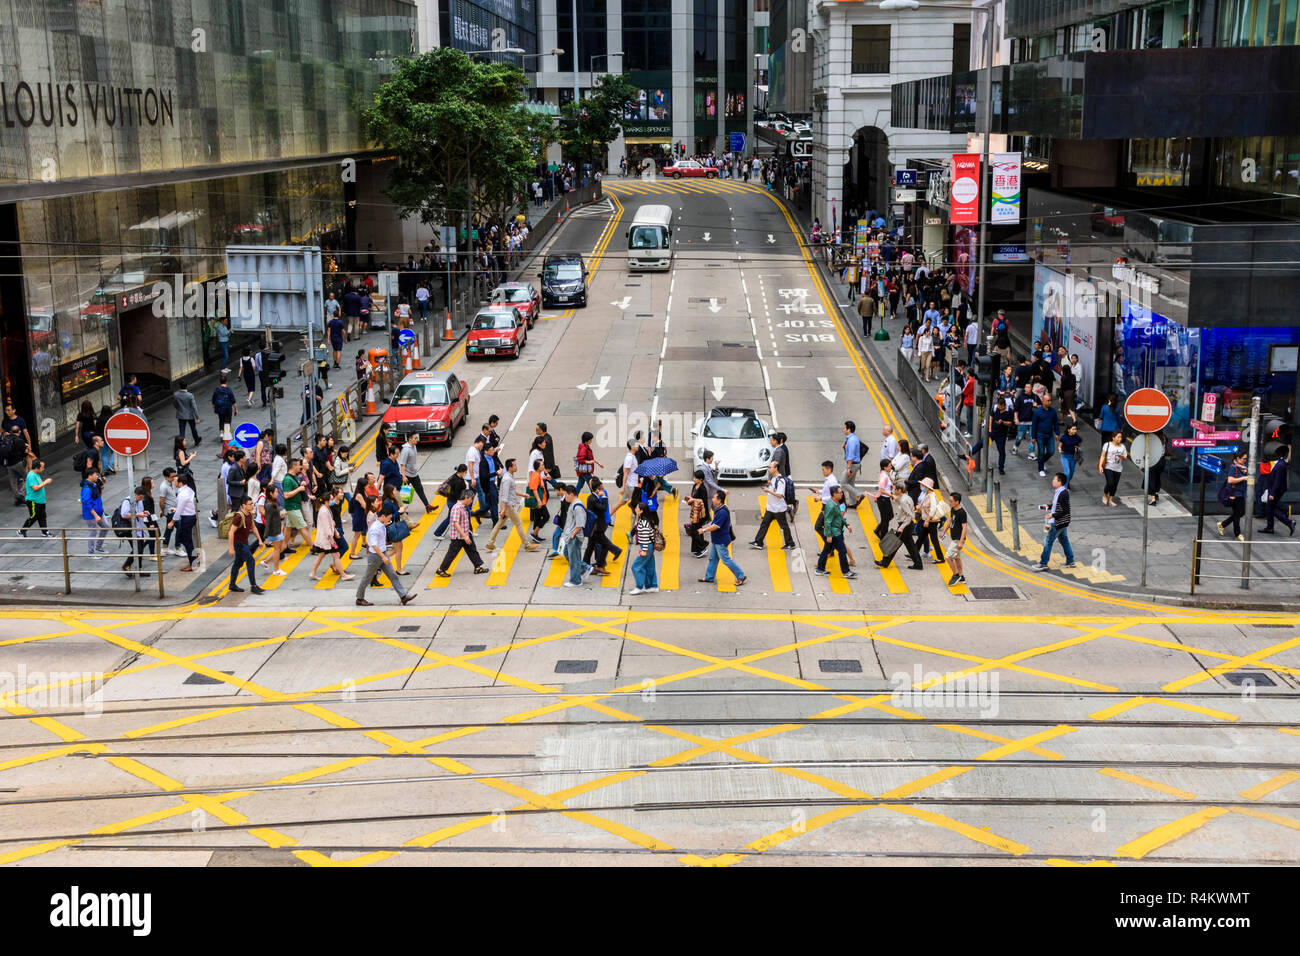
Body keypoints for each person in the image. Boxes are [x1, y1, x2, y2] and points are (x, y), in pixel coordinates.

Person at [358, 504, 419, 605]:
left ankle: (403, 596)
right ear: (383, 516)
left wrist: (384, 555)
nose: (389, 520)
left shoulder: (380, 524)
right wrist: (383, 557)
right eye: (388, 518)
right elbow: (373, 545)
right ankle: (359, 598)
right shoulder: (375, 529)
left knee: (393, 575)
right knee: (367, 577)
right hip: (375, 557)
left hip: (383, 553)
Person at [486, 458, 539, 553]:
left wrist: (523, 495)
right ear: (510, 467)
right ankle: (527, 545)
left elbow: (512, 491)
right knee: (518, 523)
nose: (516, 467)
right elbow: (505, 496)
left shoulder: (509, 476)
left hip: (507, 506)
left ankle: (490, 543)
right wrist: (504, 509)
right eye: (514, 465)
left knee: (499, 524)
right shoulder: (507, 479)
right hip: (508, 506)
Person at [435, 491, 488, 579]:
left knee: (472, 550)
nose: (471, 501)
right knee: (451, 554)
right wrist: (464, 536)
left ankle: (478, 567)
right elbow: (456, 523)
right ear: (466, 498)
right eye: (471, 499)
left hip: (466, 534)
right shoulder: (457, 508)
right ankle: (441, 569)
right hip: (458, 537)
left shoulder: (464, 507)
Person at [699, 490, 746, 586]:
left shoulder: (722, 512)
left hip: (721, 540)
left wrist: (703, 530)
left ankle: (740, 575)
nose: (712, 499)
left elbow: (716, 526)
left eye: (714, 498)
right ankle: (709, 577)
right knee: (713, 558)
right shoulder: (720, 508)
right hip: (717, 539)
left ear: (719, 500)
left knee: (725, 560)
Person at [875, 482, 924, 571]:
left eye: (895, 490)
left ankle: (885, 562)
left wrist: (902, 527)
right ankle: (918, 564)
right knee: (909, 545)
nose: (893, 491)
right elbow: (901, 502)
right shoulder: (906, 497)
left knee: (894, 543)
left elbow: (909, 515)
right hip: (907, 525)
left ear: (899, 490)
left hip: (905, 525)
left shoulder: (903, 500)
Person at [309, 490, 356, 582]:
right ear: (327, 501)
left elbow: (331, 523)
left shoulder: (325, 509)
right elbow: (327, 527)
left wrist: (334, 530)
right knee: (336, 555)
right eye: (331, 499)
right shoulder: (324, 511)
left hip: (325, 539)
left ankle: (313, 573)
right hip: (327, 539)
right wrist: (332, 539)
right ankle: (343, 575)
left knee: (321, 555)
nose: (332, 501)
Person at [1033, 473, 1075, 571]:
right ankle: (1070, 561)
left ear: (1060, 482)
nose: (1053, 481)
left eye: (1054, 479)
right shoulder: (1059, 491)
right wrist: (1048, 506)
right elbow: (1057, 505)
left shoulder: (1063, 493)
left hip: (1057, 522)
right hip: (1062, 522)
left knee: (1048, 541)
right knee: (1064, 541)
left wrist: (1052, 515)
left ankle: (1043, 563)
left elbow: (1065, 510)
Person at [750, 461, 795, 550]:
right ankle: (758, 542)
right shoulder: (774, 478)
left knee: (784, 526)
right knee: (764, 524)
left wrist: (768, 491)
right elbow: (775, 488)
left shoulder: (781, 480)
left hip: (778, 509)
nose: (769, 469)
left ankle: (790, 543)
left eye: (770, 467)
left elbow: (780, 495)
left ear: (776, 469)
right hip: (771, 508)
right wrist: (770, 484)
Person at [815, 486, 856, 579]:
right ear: (834, 494)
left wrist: (847, 524)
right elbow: (827, 521)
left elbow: (839, 517)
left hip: (836, 531)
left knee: (826, 550)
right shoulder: (831, 505)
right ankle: (846, 572)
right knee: (842, 551)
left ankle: (820, 569)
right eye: (840, 492)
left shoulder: (835, 503)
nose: (842, 494)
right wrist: (829, 535)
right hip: (835, 532)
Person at [227, 498, 266, 594]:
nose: (252, 505)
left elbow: (253, 527)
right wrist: (231, 548)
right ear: (244, 505)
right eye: (249, 504)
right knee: (251, 560)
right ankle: (254, 586)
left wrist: (260, 540)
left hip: (244, 543)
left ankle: (232, 585)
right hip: (239, 544)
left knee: (238, 563)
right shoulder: (238, 517)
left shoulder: (249, 515)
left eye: (252, 503)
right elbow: (231, 532)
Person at [1259, 444, 1295, 535]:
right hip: (1276, 490)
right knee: (1270, 508)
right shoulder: (1281, 462)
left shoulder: (1280, 465)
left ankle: (1289, 522)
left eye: (1276, 452)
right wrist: (1290, 450)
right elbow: (1288, 460)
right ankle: (1270, 527)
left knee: (1270, 508)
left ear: (1279, 454)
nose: (1274, 454)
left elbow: (1277, 481)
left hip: (1276, 491)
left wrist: (1272, 493)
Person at [558, 485, 589, 587]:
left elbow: (580, 524)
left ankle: (575, 581)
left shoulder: (577, 506)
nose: (565, 496)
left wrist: (573, 534)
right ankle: (584, 568)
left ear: (571, 494)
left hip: (574, 537)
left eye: (566, 494)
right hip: (570, 536)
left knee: (574, 559)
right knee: (568, 554)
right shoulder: (573, 504)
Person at [1216, 451, 1249, 541]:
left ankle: (1222, 524)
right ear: (1238, 459)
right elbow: (1230, 480)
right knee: (1238, 514)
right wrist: (1243, 478)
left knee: (1239, 513)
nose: (1245, 460)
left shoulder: (1242, 468)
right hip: (1235, 494)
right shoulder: (1233, 468)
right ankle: (1237, 534)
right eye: (1244, 459)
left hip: (1241, 493)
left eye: (1246, 459)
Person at [280, 458, 312, 550]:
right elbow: (286, 495)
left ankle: (284, 547)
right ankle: (313, 547)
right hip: (292, 507)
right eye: (299, 465)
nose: (300, 466)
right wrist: (299, 489)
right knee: (302, 527)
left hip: (295, 506)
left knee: (288, 528)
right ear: (293, 466)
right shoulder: (287, 480)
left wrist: (301, 484)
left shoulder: (295, 477)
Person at [629, 500, 659, 594]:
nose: (635, 509)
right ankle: (652, 586)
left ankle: (639, 586)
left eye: (637, 508)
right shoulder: (643, 520)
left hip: (647, 546)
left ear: (641, 511)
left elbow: (645, 536)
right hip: (648, 546)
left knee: (636, 566)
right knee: (649, 567)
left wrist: (644, 550)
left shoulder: (644, 522)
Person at [916, 477, 948, 563]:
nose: (921, 486)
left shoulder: (932, 496)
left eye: (922, 485)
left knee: (933, 540)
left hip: (931, 522)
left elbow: (933, 509)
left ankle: (940, 558)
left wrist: (927, 520)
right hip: (927, 521)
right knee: (921, 538)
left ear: (927, 487)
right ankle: (914, 554)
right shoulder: (927, 495)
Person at [170, 473, 198, 570]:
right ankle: (194, 555)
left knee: (185, 540)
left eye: (175, 480)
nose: (174, 482)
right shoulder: (188, 489)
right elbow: (185, 505)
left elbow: (179, 510)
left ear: (180, 483)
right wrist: (176, 508)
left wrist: (172, 522)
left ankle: (192, 562)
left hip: (187, 518)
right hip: (190, 516)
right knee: (184, 538)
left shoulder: (182, 494)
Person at [433, 463, 469, 538]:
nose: (466, 473)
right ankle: (437, 532)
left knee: (465, 515)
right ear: (462, 472)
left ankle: (467, 531)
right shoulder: (458, 482)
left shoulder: (455, 476)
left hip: (451, 500)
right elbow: (457, 494)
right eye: (465, 472)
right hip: (454, 502)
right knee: (451, 518)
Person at [398, 433, 430, 512]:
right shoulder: (406, 450)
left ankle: (427, 506)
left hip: (414, 474)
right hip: (407, 475)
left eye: (417, 438)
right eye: (415, 438)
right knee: (405, 494)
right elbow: (402, 464)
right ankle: (402, 510)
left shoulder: (414, 446)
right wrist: (403, 476)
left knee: (420, 489)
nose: (417, 440)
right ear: (410, 439)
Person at [19, 458, 51, 536]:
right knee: (34, 516)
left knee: (42, 516)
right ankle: (22, 530)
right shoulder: (31, 476)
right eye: (42, 467)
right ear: (37, 468)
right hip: (33, 500)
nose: (43, 469)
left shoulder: (36, 473)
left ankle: (45, 532)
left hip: (40, 500)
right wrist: (45, 482)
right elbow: (35, 488)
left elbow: (34, 458)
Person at [1031, 394, 1062, 477]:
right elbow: (1034, 425)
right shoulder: (1037, 412)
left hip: (1049, 435)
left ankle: (1041, 462)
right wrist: (1033, 437)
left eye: (1050, 400)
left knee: (1051, 451)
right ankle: (1041, 468)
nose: (1050, 402)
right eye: (1048, 401)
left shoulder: (1053, 411)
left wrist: (1057, 433)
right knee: (1041, 452)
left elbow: (1055, 423)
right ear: (1043, 401)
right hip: (1040, 435)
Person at [80, 468, 108, 557]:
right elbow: (86, 503)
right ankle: (90, 553)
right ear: (90, 475)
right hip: (91, 514)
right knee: (93, 531)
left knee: (106, 527)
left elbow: (99, 492)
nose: (97, 476)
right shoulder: (87, 488)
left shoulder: (94, 484)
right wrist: (95, 515)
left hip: (100, 511)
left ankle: (98, 547)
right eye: (96, 474)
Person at [683, 470, 711, 558]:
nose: (694, 479)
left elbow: (702, 501)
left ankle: (701, 547)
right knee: (698, 529)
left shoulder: (703, 489)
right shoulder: (695, 486)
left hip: (700, 513)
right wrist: (690, 499)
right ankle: (699, 549)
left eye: (695, 478)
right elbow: (694, 497)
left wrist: (693, 500)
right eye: (694, 477)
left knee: (695, 530)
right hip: (695, 512)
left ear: (701, 479)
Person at [945, 491, 969, 586]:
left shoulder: (962, 513)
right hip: (954, 538)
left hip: (958, 540)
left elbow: (964, 527)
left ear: (957, 502)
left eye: (951, 501)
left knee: (948, 557)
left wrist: (961, 542)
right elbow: (950, 520)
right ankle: (961, 576)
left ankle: (955, 575)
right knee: (957, 558)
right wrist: (943, 531)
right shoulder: (953, 509)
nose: (949, 502)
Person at [1098, 431, 1127, 507]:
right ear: (1113, 438)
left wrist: (1121, 457)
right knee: (1110, 482)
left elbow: (1125, 457)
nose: (1119, 439)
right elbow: (1103, 455)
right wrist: (1100, 466)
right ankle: (1105, 495)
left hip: (1118, 468)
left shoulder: (1122, 447)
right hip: (1108, 466)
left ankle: (1110, 499)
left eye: (1120, 437)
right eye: (1118, 437)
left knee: (1115, 484)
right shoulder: (1107, 445)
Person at [870, 457, 894, 539]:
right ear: (884, 467)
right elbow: (881, 490)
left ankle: (878, 530)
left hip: (885, 499)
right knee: (885, 519)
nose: (891, 467)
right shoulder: (884, 476)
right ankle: (883, 536)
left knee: (889, 516)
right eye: (889, 466)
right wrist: (891, 495)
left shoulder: (885, 474)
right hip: (883, 499)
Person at [841, 420, 864, 507]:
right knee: (850, 483)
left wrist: (848, 468)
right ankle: (853, 502)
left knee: (843, 483)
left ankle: (858, 495)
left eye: (844, 428)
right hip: (856, 464)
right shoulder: (852, 438)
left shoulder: (851, 440)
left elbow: (850, 455)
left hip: (853, 465)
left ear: (849, 429)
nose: (843, 430)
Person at [991, 396, 1015, 476]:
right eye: (998, 406)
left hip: (1001, 435)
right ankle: (971, 452)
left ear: (1004, 405)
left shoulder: (1010, 411)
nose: (998, 407)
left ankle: (1001, 468)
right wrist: (990, 428)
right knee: (981, 443)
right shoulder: (995, 408)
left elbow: (1010, 423)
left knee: (1001, 451)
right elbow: (991, 417)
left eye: (1000, 406)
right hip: (993, 432)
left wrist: (1003, 422)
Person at [1013, 382, 1038, 457]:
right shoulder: (1020, 397)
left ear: (1032, 388)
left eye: (1028, 387)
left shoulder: (1035, 397)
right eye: (1025, 387)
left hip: (1033, 421)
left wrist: (1037, 405)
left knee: (1032, 437)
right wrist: (1016, 419)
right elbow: (1016, 409)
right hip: (1022, 420)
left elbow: (1042, 407)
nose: (1026, 388)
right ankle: (1015, 446)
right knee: (1020, 437)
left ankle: (1031, 452)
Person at [172, 381, 201, 446]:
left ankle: (181, 443)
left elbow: (174, 404)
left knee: (182, 430)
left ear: (180, 387)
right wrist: (197, 417)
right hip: (190, 415)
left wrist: (178, 409)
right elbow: (194, 407)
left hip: (181, 415)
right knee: (193, 428)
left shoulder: (176, 395)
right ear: (186, 386)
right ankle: (196, 440)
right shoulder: (190, 395)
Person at [211, 375, 238, 439]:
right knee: (227, 421)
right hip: (228, 408)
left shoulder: (216, 390)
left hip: (220, 408)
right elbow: (233, 401)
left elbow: (213, 400)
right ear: (226, 382)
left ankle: (221, 433)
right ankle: (226, 434)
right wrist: (235, 409)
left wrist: (214, 408)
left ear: (220, 382)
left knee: (221, 420)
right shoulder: (229, 390)